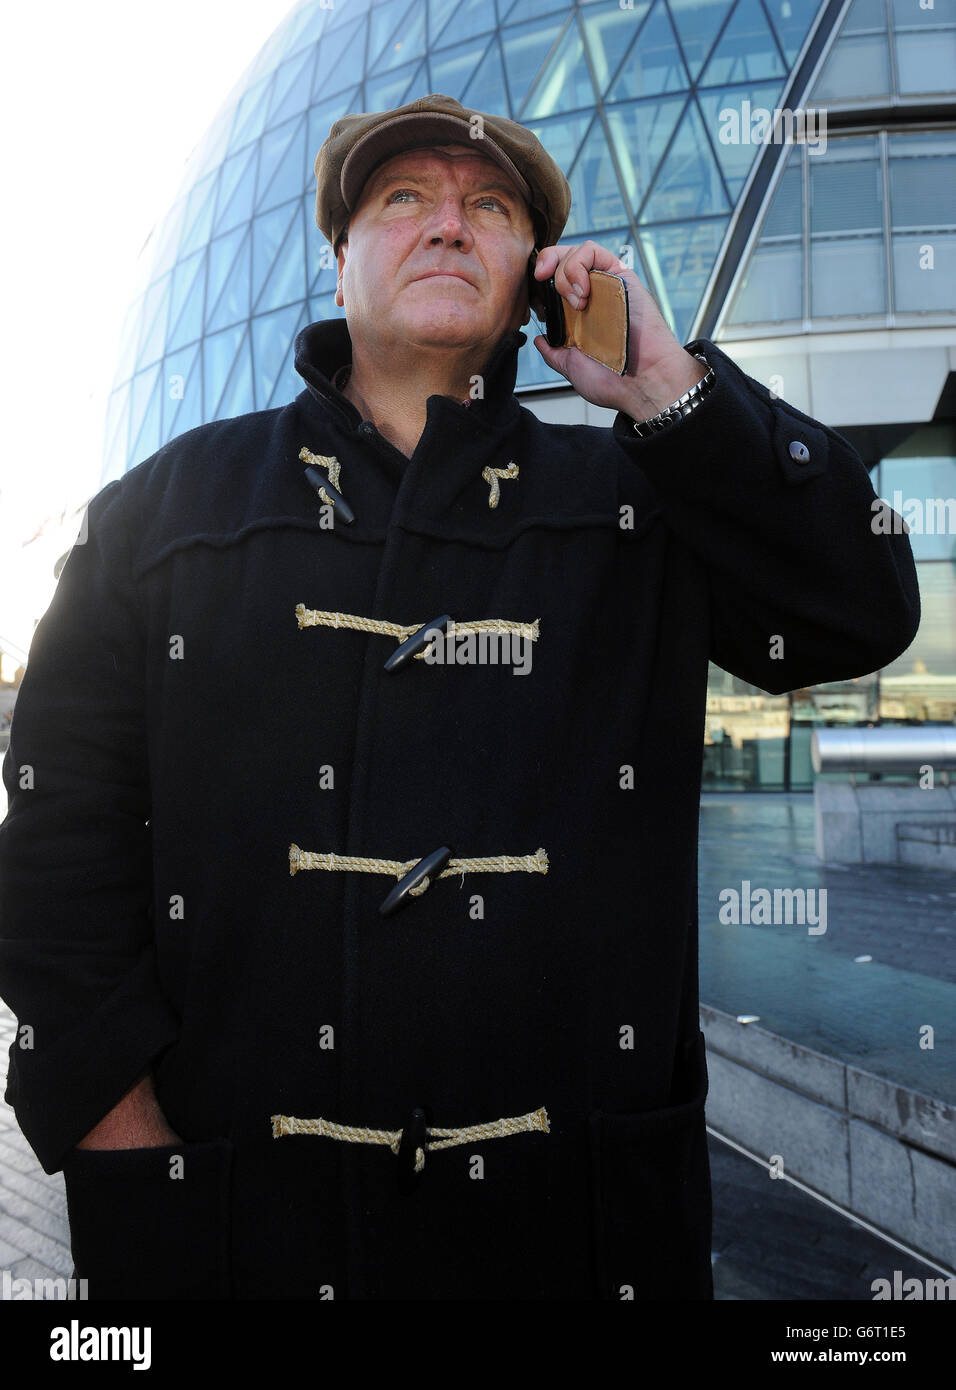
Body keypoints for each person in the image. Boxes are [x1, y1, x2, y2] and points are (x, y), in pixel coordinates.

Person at [0, 93, 919, 1300]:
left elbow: (858, 604)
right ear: (338, 266)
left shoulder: (635, 503)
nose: (447, 227)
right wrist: (132, 1152)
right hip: (238, 1236)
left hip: (575, 1242)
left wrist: (672, 391)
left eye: (488, 208)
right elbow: (54, 859)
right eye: (402, 203)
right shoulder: (162, 516)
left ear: (535, 280)